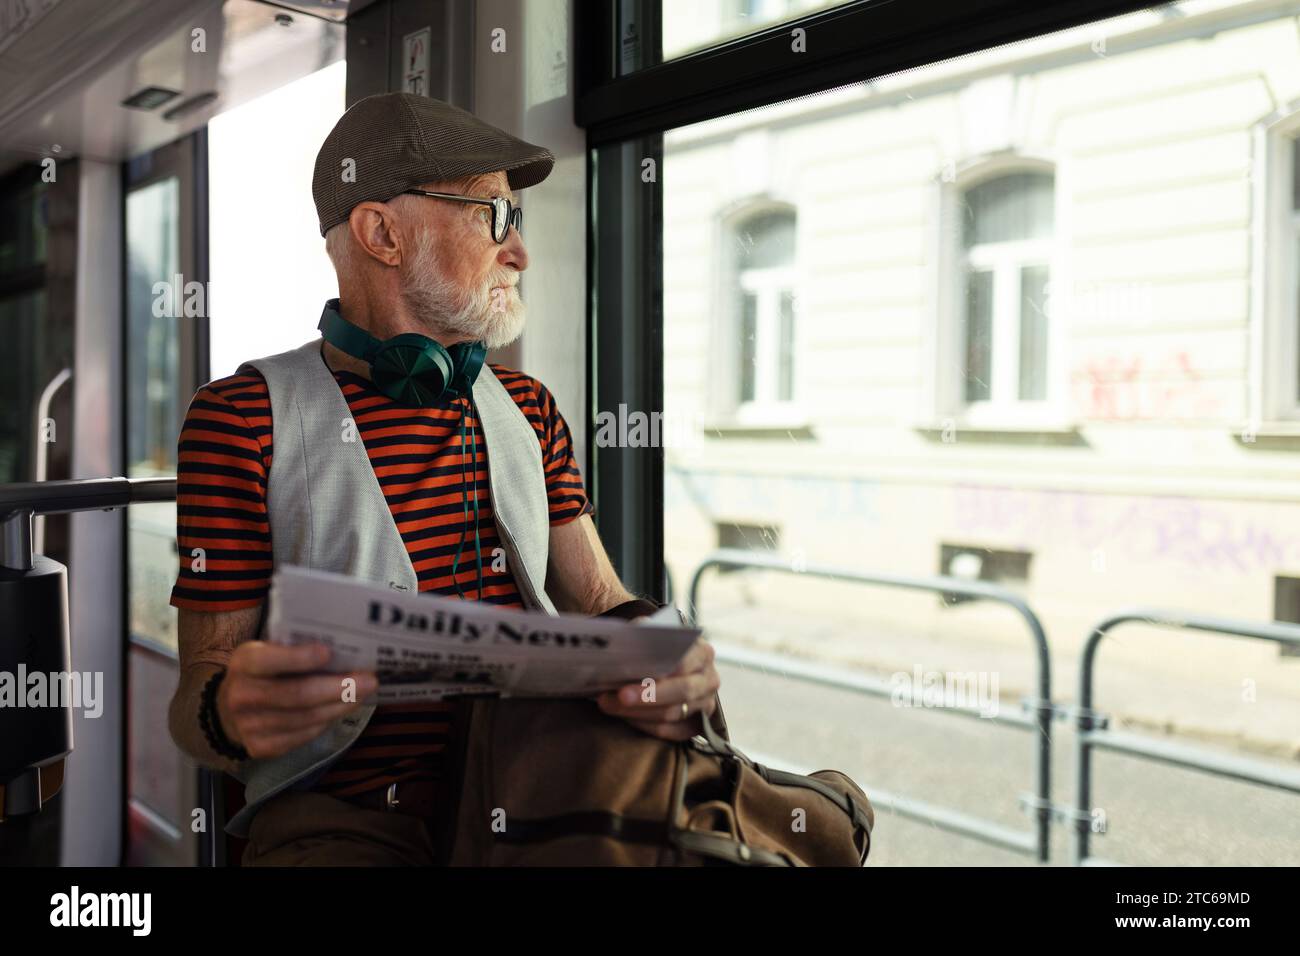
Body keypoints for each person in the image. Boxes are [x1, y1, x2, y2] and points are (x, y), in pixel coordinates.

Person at [165, 92, 723, 865]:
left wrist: (666, 657)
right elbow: (197, 692)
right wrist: (229, 713)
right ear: (383, 233)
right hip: (344, 817)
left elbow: (598, 600)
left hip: (540, 788)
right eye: (494, 215)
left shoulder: (527, 406)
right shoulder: (240, 418)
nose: (518, 250)